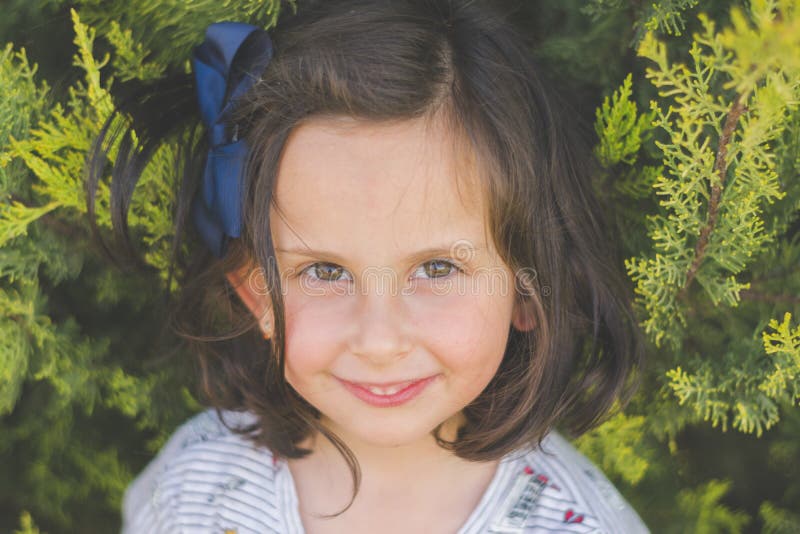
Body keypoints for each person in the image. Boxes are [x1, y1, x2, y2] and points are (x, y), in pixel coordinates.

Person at [88, 0, 650, 532]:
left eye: (436, 269)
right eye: (325, 272)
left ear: (529, 289)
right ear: (256, 293)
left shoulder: (576, 524)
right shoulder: (195, 487)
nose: (379, 342)